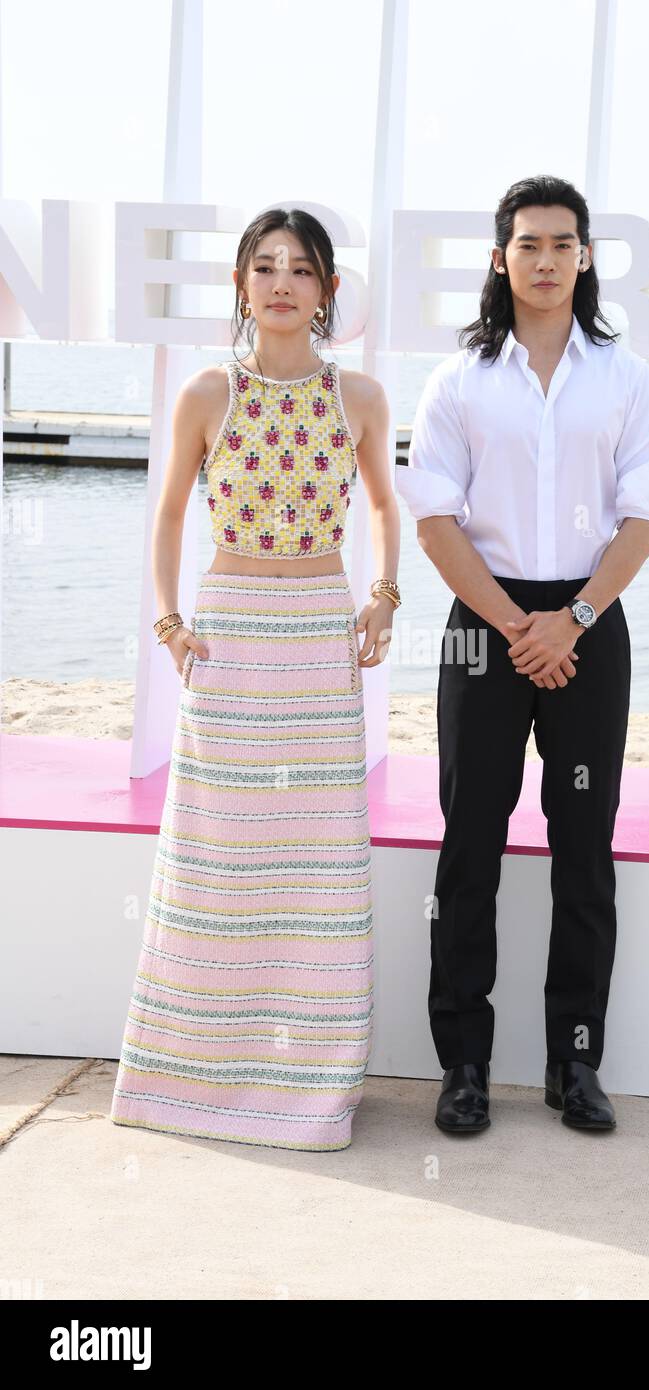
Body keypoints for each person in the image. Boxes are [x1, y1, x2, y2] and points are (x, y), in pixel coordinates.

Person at [110, 208, 400, 1151]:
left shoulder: (357, 396)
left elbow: (390, 505)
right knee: (217, 859)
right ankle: (184, 1084)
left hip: (318, 635)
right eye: (265, 266)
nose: (282, 283)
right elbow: (164, 519)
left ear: (327, 292)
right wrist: (169, 623)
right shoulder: (206, 392)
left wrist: (384, 596)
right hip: (230, 635)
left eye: (302, 269)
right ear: (241, 283)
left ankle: (309, 1096)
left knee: (315, 868)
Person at [396, 174, 649, 1136]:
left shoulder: (624, 377)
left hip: (590, 623)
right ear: (501, 256)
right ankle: (464, 1065)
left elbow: (643, 517)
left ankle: (575, 1065)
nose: (546, 259)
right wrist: (520, 625)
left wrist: (575, 620)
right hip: (486, 623)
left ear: (586, 257)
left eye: (563, 243)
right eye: (528, 243)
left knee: (582, 848)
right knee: (469, 843)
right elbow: (433, 522)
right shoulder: (459, 380)